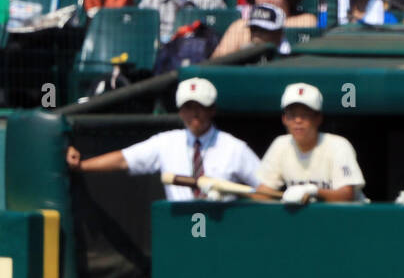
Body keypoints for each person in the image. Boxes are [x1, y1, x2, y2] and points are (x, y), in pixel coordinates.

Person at [65, 78, 261, 201]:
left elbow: (263, 188)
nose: (194, 113)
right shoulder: (166, 142)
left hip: (223, 226)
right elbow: (124, 159)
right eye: (188, 107)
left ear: (212, 110)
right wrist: (81, 166)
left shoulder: (234, 147)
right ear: (180, 110)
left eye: (200, 106)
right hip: (179, 225)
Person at [256, 82, 365, 203]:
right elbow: (263, 192)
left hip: (345, 218)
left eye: (305, 114)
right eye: (292, 115)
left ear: (318, 118)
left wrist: (314, 191)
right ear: (284, 119)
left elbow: (347, 195)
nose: (298, 120)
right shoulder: (280, 144)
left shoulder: (338, 145)